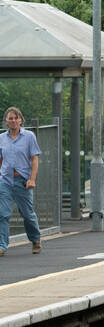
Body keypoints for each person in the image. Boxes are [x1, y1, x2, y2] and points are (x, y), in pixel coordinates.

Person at [0, 107, 42, 255]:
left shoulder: (29, 136)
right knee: (3, 214)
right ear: (6, 121)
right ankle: (2, 246)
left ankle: (35, 240)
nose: (13, 121)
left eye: (15, 118)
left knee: (27, 214)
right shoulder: (1, 138)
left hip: (22, 181)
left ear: (20, 120)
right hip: (5, 181)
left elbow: (34, 159)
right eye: (10, 118)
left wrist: (32, 179)